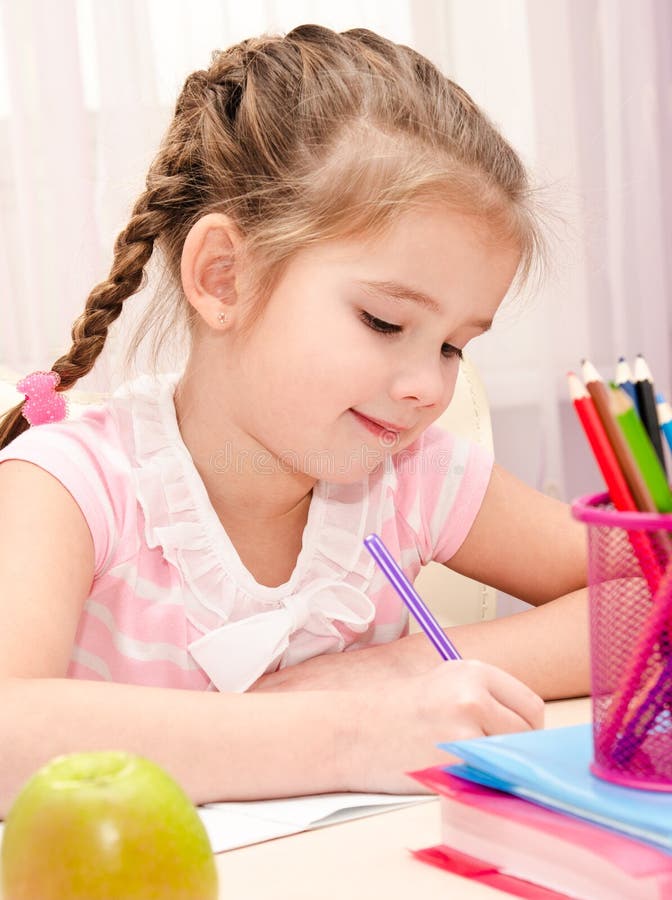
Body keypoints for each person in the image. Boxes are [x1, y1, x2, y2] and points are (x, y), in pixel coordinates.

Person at [0, 24, 588, 815]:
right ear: (223, 276)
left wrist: (396, 669)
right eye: (384, 322)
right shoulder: (71, 488)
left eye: (453, 345)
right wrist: (344, 731)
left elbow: (650, 596)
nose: (426, 387)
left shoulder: (416, 476)